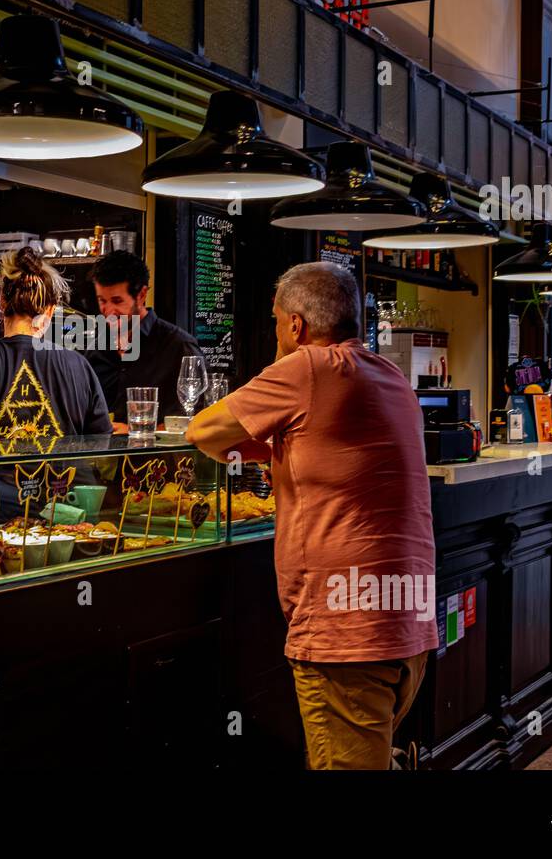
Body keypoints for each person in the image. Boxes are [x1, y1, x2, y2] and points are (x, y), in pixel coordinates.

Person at [185, 261, 438, 769]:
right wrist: (279, 442)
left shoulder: (306, 368)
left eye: (277, 319)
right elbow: (326, 446)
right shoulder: (388, 373)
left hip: (346, 632)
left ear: (296, 325)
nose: (276, 330)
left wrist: (262, 437)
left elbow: (203, 431)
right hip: (409, 622)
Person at [0, 247, 111, 441]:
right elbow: (102, 446)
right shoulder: (79, 367)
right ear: (50, 310)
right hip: (66, 473)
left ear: (2, 302)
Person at [86, 250, 203, 426]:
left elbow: (197, 419)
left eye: (117, 301)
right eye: (102, 300)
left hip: (156, 453)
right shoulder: (94, 346)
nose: (108, 311)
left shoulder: (179, 346)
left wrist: (140, 431)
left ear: (141, 295)